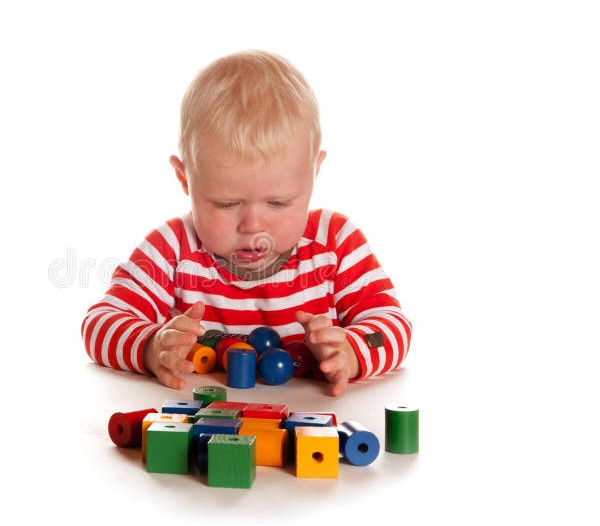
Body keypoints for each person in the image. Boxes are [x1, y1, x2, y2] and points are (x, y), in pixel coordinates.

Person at [81, 50, 411, 397]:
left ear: (314, 173)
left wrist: (354, 350)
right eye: (226, 204)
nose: (253, 225)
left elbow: (392, 327)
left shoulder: (336, 244)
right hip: (206, 424)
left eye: (278, 202)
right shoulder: (173, 249)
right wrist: (151, 347)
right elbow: (99, 324)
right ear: (185, 180)